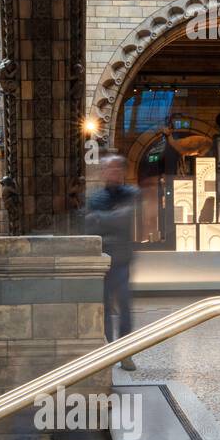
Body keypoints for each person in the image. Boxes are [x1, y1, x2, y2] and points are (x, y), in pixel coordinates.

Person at [85, 155, 139, 370]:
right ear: (103, 172)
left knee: (124, 306)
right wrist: (110, 219)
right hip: (102, 263)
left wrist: (101, 219)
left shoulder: (131, 194)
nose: (113, 172)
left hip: (123, 261)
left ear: (123, 172)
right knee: (105, 308)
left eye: (117, 168)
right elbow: (89, 225)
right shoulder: (95, 198)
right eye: (109, 168)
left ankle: (126, 353)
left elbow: (126, 218)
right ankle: (108, 351)